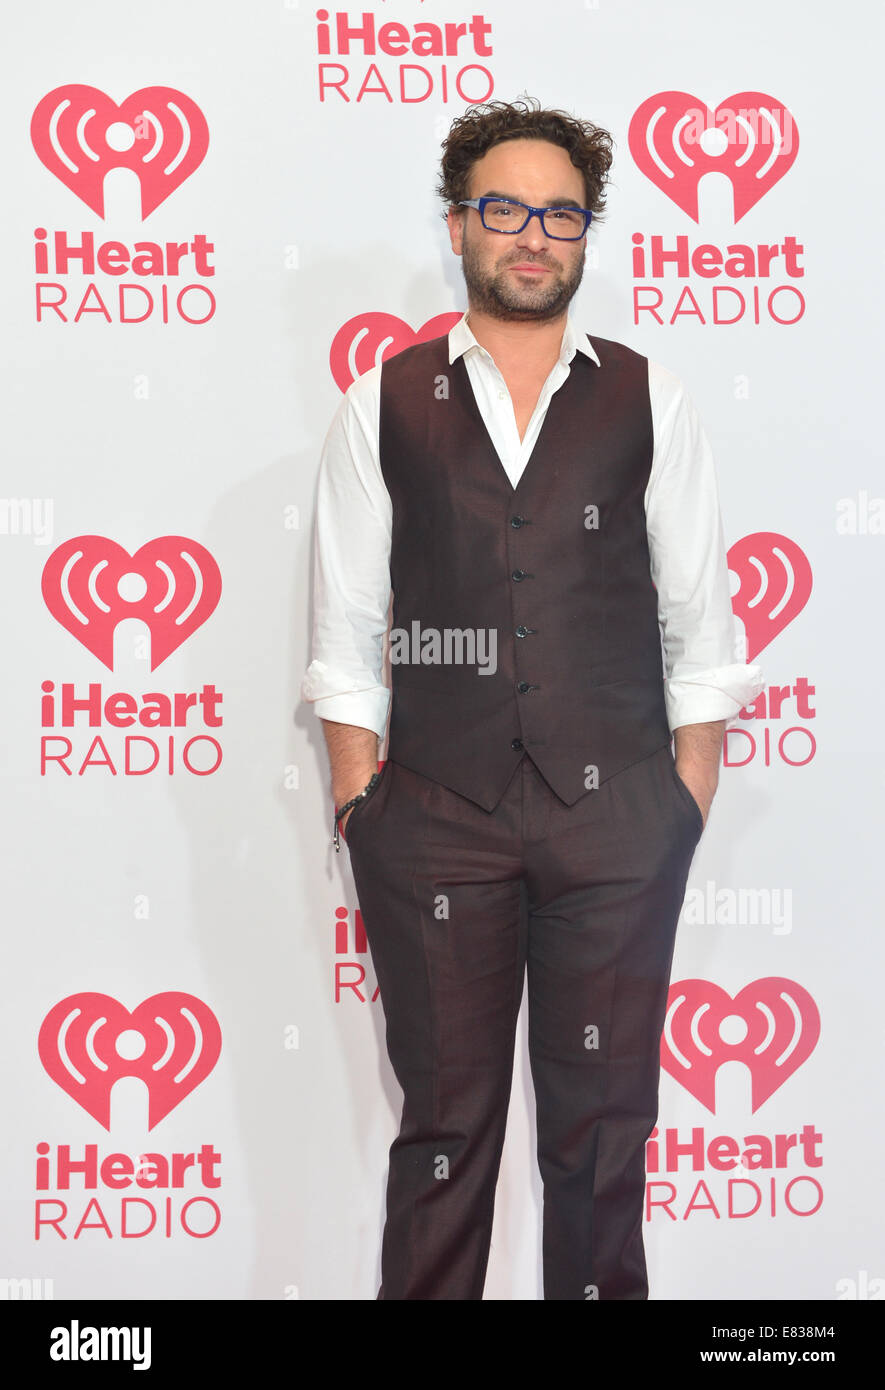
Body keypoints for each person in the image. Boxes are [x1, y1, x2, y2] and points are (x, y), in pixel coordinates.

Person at [301, 97, 763, 1300]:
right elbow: (347, 635)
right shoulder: (385, 403)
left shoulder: (650, 401)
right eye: (505, 208)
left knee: (605, 1140)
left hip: (618, 820)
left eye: (561, 213)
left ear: (585, 234)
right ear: (459, 225)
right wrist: (364, 800)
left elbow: (699, 621)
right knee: (444, 1136)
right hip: (435, 823)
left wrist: (683, 791)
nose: (533, 234)